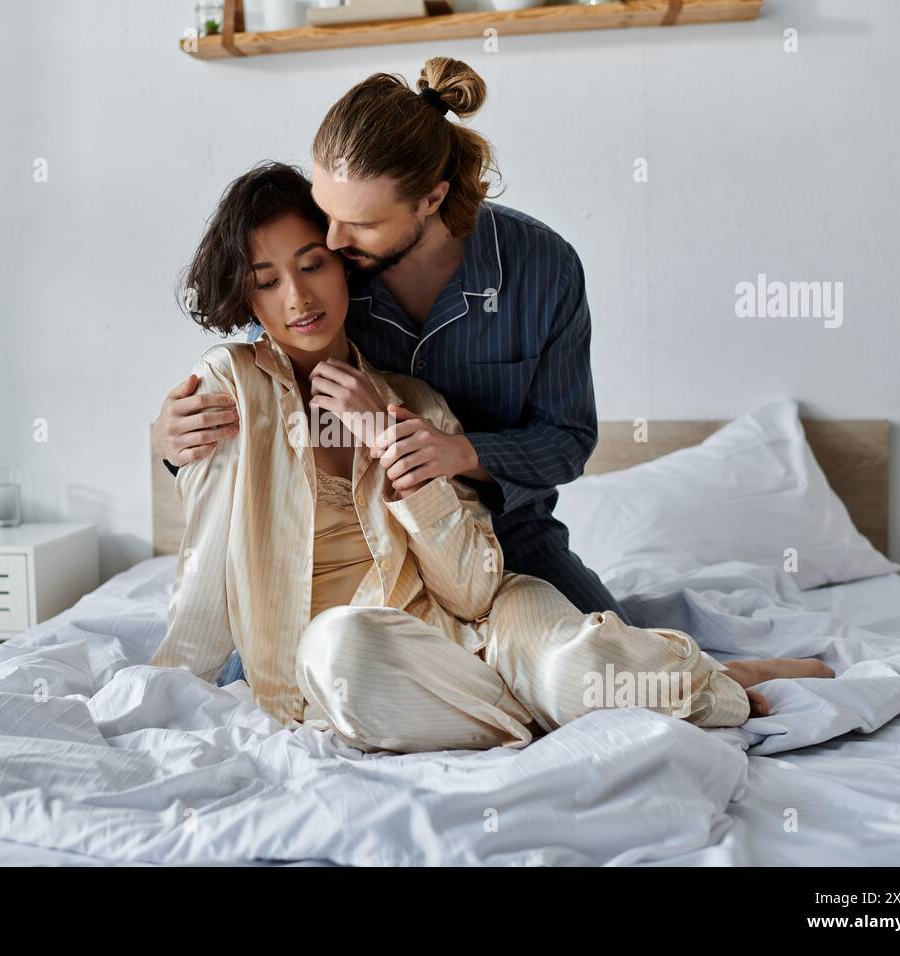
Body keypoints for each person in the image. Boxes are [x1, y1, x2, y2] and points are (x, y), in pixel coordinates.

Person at [147, 161, 833, 754]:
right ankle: (551, 707)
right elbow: (205, 563)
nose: (296, 297)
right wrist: (174, 687)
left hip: (488, 621)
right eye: (265, 279)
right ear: (244, 295)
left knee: (576, 667)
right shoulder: (228, 385)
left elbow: (475, 591)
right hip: (365, 662)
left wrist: (390, 443)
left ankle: (707, 684)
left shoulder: (413, 399)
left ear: (343, 265)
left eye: (312, 264)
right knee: (340, 650)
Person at [154, 59, 632, 689]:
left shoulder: (542, 269)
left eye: (361, 223)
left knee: (616, 671)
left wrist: (454, 452)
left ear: (432, 198)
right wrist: (169, 442)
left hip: (504, 539)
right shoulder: (328, 262)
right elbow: (261, 383)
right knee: (265, 679)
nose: (332, 236)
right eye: (326, 210)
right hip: (346, 557)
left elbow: (568, 441)